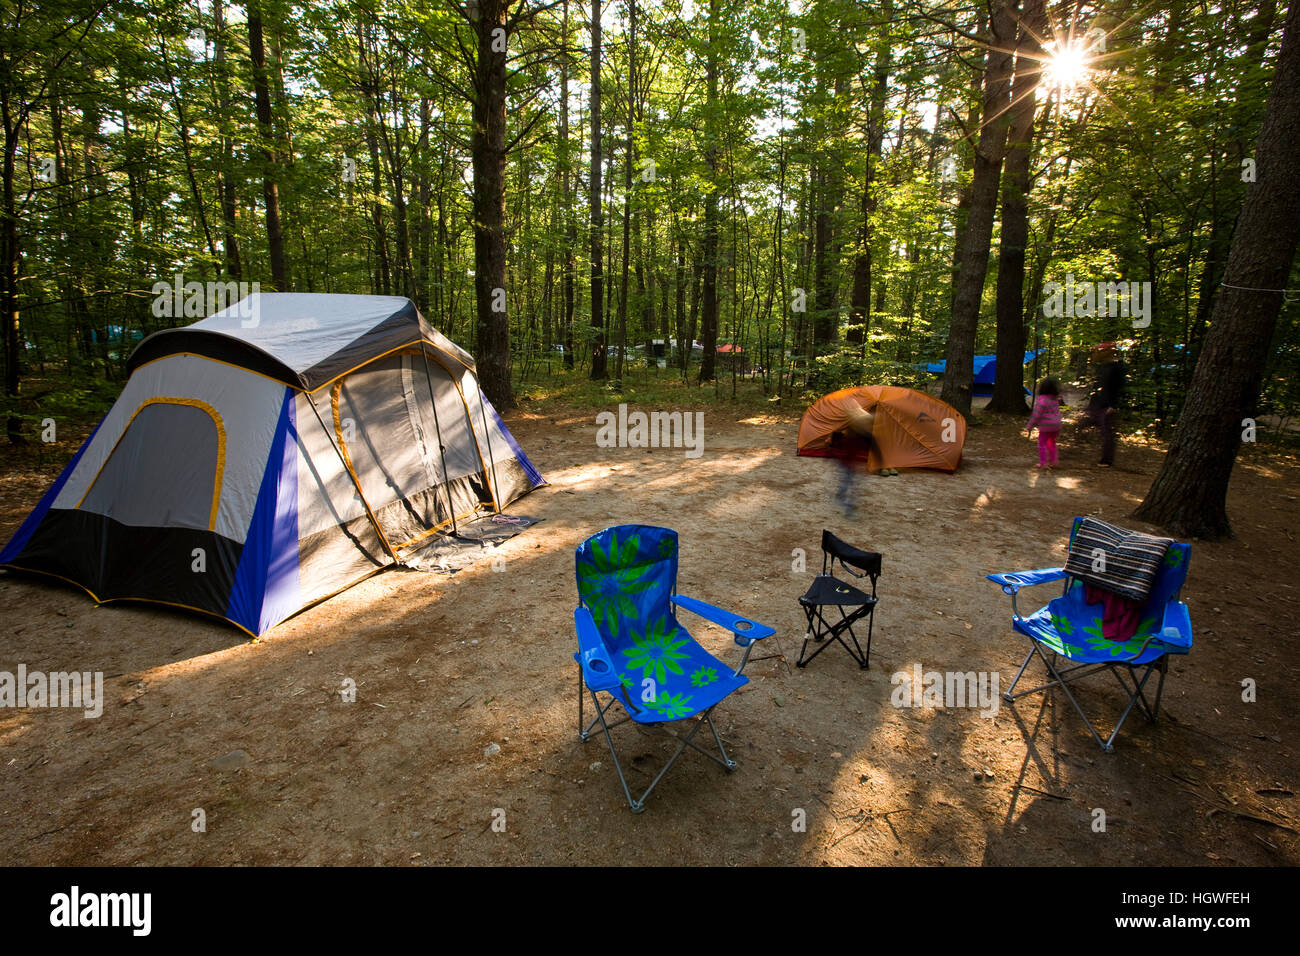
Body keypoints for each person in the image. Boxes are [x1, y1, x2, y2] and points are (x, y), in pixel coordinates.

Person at [830, 400, 875, 517]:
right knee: (852, 486)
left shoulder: (861, 435)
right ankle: (848, 510)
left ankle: (841, 496)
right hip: (848, 464)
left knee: (848, 483)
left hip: (851, 464)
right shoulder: (855, 436)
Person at [1087, 343, 1127, 466]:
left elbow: (1119, 387)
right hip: (1098, 403)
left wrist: (1113, 405)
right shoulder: (1103, 367)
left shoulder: (1116, 367)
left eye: (1097, 352)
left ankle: (1107, 460)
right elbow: (1098, 386)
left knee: (1107, 432)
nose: (1093, 355)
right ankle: (1072, 451)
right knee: (1086, 423)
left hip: (1107, 405)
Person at [1026, 376, 1063, 469]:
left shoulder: (1042, 401)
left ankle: (1043, 463)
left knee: (1042, 444)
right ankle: (1054, 461)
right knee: (1052, 442)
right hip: (1057, 425)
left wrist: (1030, 425)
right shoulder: (1055, 399)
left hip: (1046, 426)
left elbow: (1036, 415)